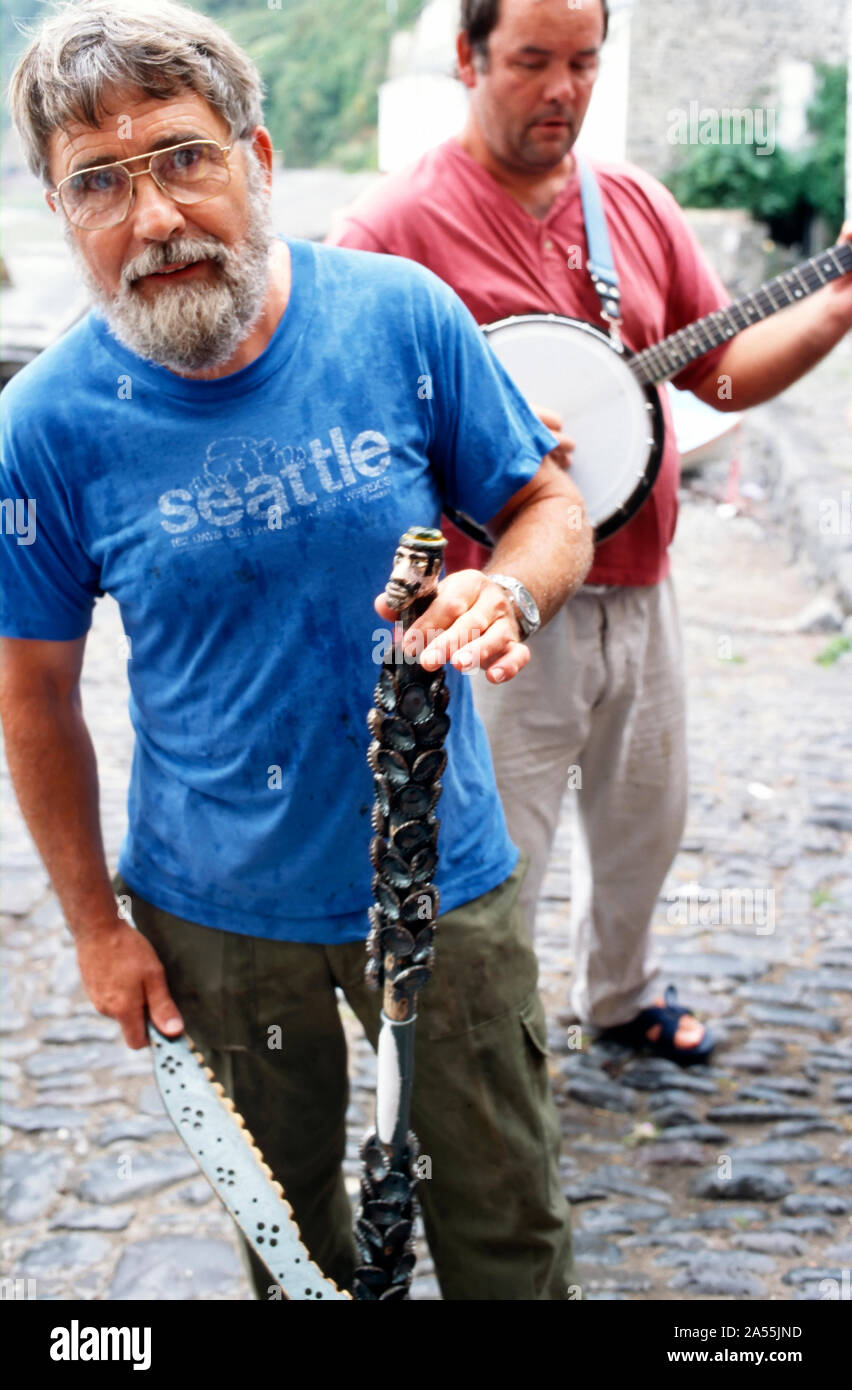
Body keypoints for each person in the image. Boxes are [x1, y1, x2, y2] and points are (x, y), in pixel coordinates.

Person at [0, 0, 595, 1300]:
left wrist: (513, 593)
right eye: (96, 183)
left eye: (181, 156)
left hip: (446, 886)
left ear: (256, 160)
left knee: (510, 1230)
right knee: (296, 1252)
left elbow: (546, 502)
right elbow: (35, 695)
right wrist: (98, 929)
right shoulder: (44, 426)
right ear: (58, 211)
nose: (152, 217)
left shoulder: (398, 318)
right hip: (214, 919)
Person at [329, 0, 852, 1064]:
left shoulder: (637, 206)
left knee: (645, 824)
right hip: (502, 607)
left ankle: (617, 995)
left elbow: (716, 375)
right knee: (503, 850)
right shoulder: (391, 229)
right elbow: (342, 415)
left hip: (644, 581)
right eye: (531, 61)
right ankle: (491, 1050)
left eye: (583, 62)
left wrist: (836, 308)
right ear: (469, 57)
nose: (562, 89)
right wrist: (473, 435)